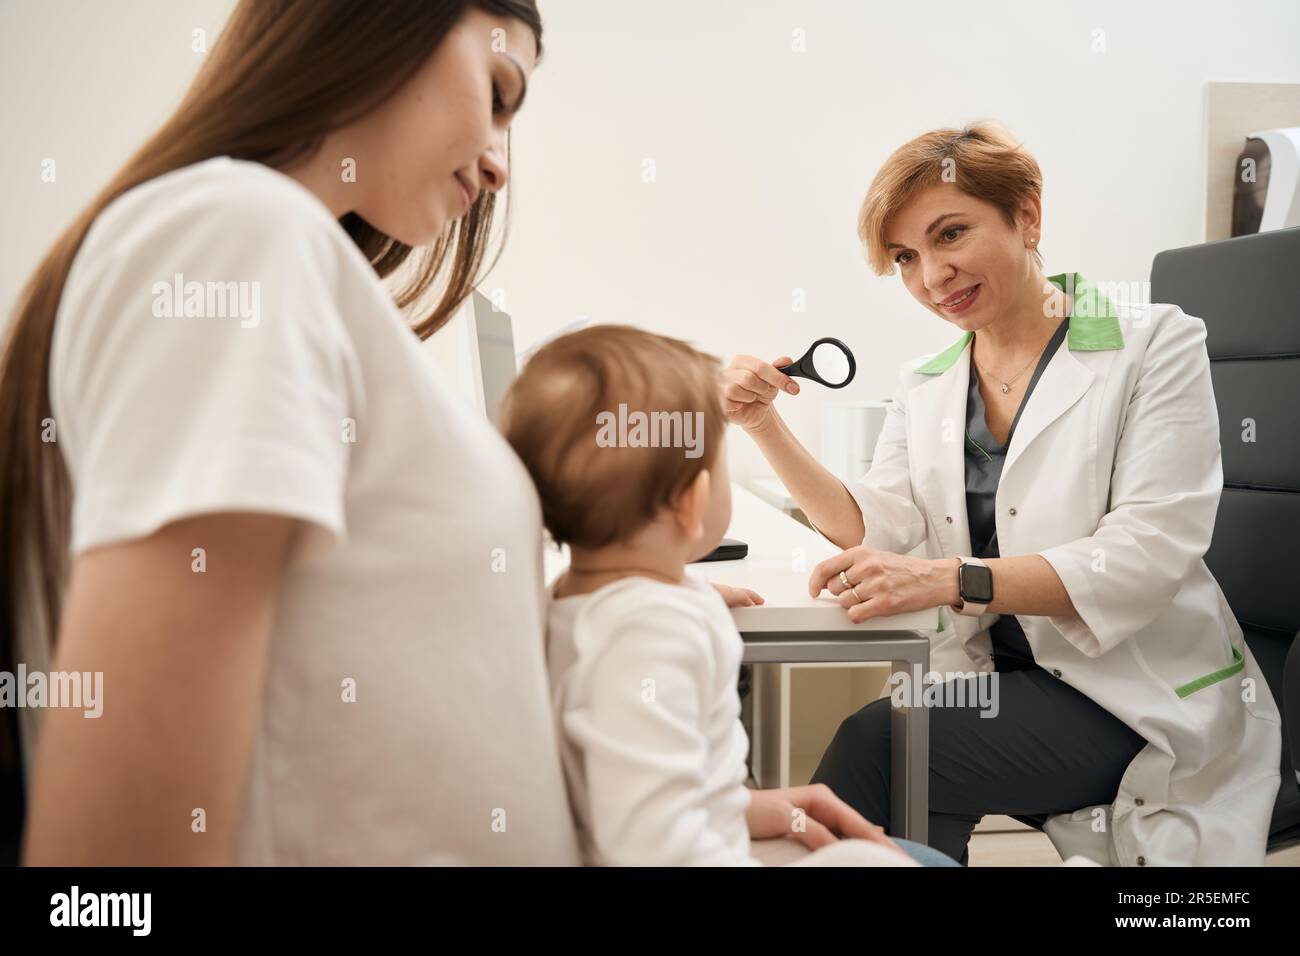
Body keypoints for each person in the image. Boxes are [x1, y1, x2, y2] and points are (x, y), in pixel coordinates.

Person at [6, 0, 580, 866]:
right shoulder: (240, 236)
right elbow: (119, 864)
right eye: (498, 93)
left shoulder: (262, 245)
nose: (500, 165)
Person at [719, 123, 1282, 866]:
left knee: (886, 745)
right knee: (903, 748)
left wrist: (950, 578)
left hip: (1132, 689)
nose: (932, 276)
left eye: (951, 234)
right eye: (905, 258)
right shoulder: (929, 379)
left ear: (1027, 215)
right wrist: (763, 425)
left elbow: (1146, 555)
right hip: (994, 674)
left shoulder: (1153, 344)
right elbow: (873, 523)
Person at [503, 324, 958, 866]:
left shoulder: (580, 604)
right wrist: (664, 618)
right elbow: (656, 848)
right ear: (693, 502)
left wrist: (673, 597)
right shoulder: (649, 635)